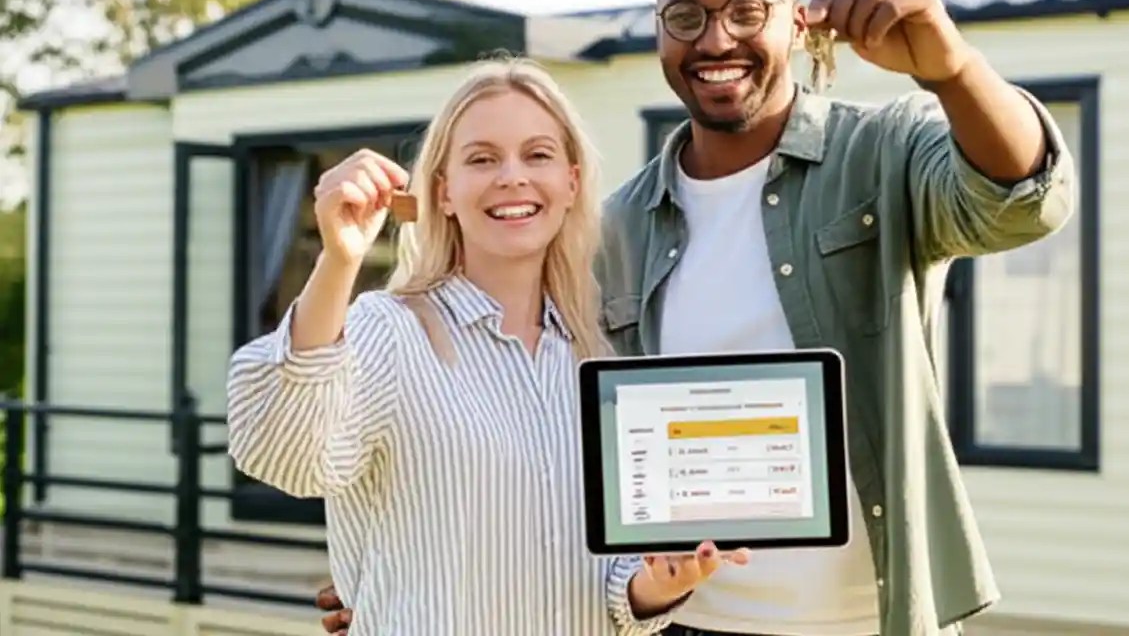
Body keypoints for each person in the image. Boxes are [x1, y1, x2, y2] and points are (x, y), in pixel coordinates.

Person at [317, 0, 1077, 632]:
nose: (717, 38)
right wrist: (405, 567)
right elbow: (525, 418)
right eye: (686, 16)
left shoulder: (882, 155)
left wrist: (953, 69)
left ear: (796, 18)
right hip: (674, 620)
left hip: (867, 617)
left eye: (747, 11)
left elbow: (1021, 203)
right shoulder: (613, 229)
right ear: (659, 30)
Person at [225, 56, 747, 636]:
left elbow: (602, 583)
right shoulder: (390, 331)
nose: (512, 176)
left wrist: (657, 586)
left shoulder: (595, 356)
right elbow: (287, 454)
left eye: (538, 154)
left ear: (571, 182)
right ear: (443, 193)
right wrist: (338, 262)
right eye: (482, 159)